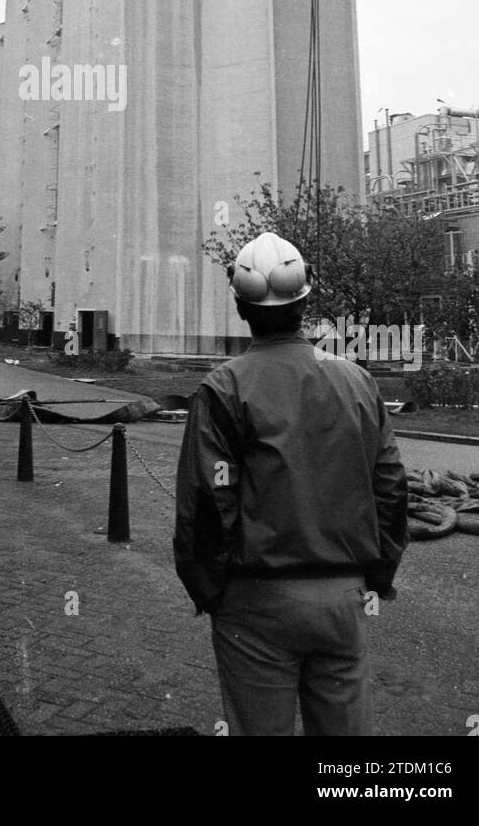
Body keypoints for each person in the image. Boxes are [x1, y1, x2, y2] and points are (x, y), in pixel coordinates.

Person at [174, 231, 409, 737]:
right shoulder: (358, 381)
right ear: (306, 301)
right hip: (342, 600)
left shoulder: (224, 388)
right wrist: (378, 575)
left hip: (255, 600)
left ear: (240, 307)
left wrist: (210, 590)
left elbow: (207, 502)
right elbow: (390, 488)